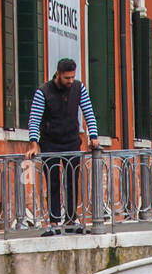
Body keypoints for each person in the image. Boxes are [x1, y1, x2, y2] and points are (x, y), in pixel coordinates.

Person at [27, 59, 100, 234]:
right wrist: (34, 144)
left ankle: (70, 220)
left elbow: (88, 112)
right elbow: (34, 119)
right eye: (67, 78)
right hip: (50, 142)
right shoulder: (43, 91)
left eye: (72, 77)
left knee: (72, 180)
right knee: (53, 182)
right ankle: (53, 223)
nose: (70, 81)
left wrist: (94, 137)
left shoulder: (78, 88)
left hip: (71, 141)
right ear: (58, 74)